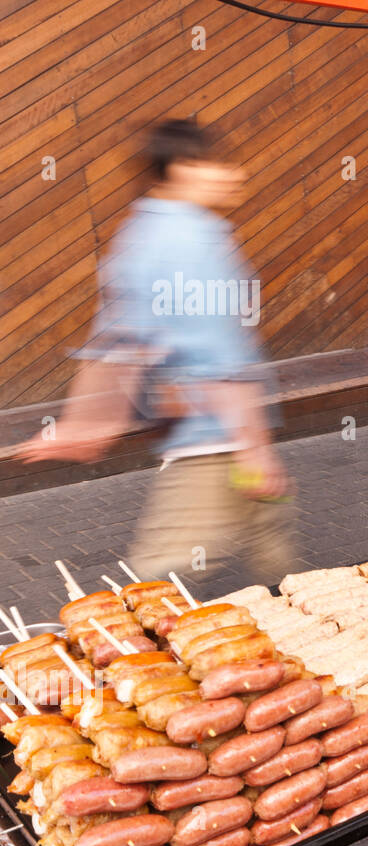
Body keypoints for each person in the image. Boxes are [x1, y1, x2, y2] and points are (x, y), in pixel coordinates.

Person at [20, 119, 294, 583]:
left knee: (279, 574)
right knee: (160, 586)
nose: (236, 174)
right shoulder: (197, 239)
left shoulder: (137, 234)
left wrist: (85, 423)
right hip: (217, 442)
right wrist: (254, 450)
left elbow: (116, 342)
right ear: (182, 168)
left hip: (203, 436)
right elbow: (218, 360)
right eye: (219, 164)